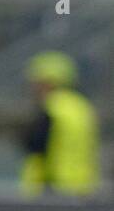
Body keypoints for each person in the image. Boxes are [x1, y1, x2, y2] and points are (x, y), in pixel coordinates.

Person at [20, 52, 100, 195]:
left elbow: (36, 145)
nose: (33, 88)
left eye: (36, 83)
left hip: (52, 186)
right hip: (82, 186)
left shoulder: (52, 107)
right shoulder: (81, 106)